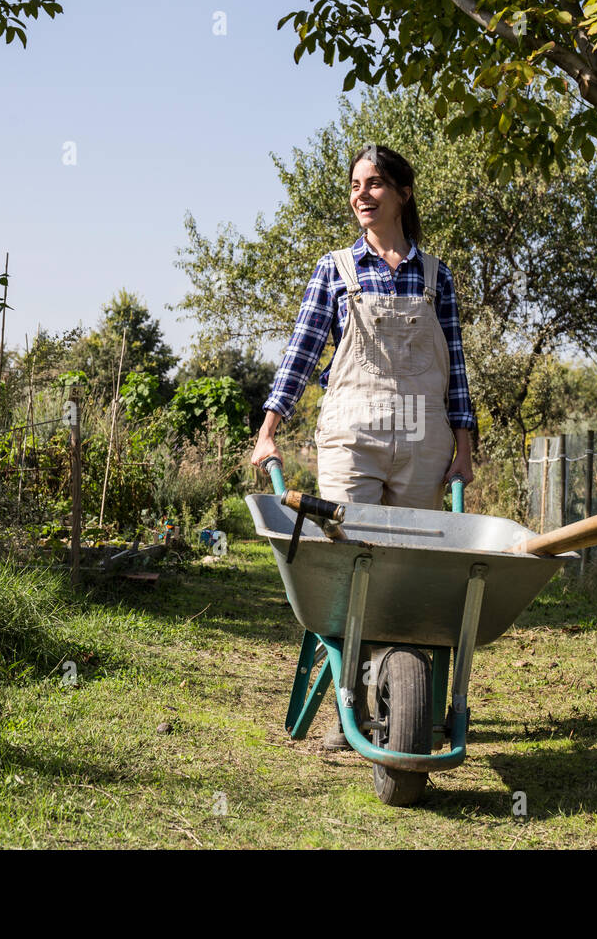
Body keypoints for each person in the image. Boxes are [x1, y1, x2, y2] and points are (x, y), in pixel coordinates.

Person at [249, 143, 478, 749]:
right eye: (355, 184)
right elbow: (300, 356)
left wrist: (464, 445)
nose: (362, 194)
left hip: (423, 440)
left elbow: (455, 367)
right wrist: (269, 430)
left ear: (402, 192)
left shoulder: (437, 278)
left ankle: (400, 700)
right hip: (353, 435)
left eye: (375, 183)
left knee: (410, 573)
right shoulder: (336, 271)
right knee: (353, 563)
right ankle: (355, 704)